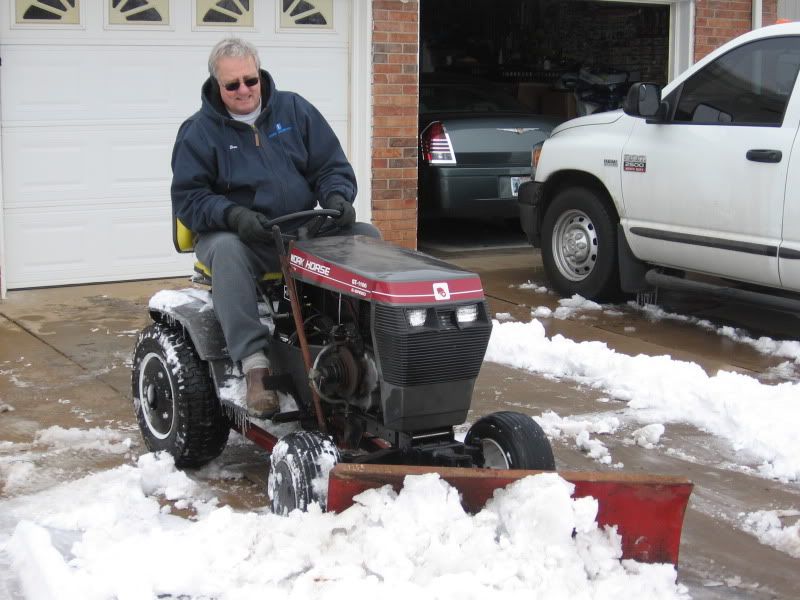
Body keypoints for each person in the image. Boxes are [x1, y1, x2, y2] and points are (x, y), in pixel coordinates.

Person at [171, 37, 378, 418]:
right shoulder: (198, 132)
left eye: (250, 80)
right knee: (228, 252)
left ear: (261, 75)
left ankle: (363, 343)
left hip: (298, 228)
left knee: (366, 239)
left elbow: (331, 166)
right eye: (232, 85)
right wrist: (233, 215)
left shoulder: (294, 110)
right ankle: (254, 366)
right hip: (239, 234)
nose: (244, 90)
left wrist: (336, 198)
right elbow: (189, 197)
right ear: (218, 86)